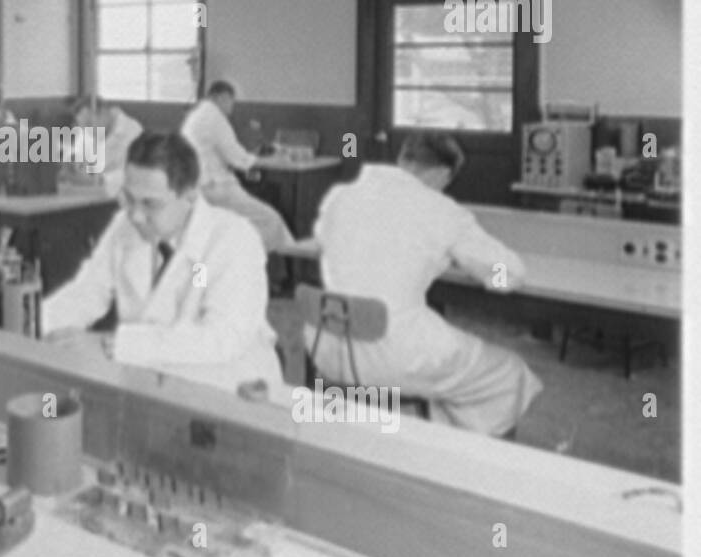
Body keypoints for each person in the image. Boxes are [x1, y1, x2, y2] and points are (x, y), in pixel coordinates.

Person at [307, 133, 543, 436]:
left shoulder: (340, 196)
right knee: (508, 373)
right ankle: (459, 455)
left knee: (442, 365)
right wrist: (480, 273)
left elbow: (328, 241)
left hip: (326, 344)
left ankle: (415, 434)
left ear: (403, 159)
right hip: (393, 353)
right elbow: (508, 273)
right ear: (443, 173)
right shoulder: (442, 210)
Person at [42, 132, 284, 397]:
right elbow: (87, 292)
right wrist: (36, 324)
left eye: (151, 204)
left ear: (190, 196)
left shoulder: (233, 239)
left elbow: (220, 338)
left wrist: (112, 346)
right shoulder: (126, 227)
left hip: (232, 392)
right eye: (129, 198)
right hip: (155, 384)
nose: (135, 215)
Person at [180, 81, 293, 254]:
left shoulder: (196, 115)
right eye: (232, 101)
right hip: (216, 188)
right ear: (223, 97)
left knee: (203, 245)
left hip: (196, 189)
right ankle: (253, 267)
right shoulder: (214, 116)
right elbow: (237, 157)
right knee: (271, 220)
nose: (232, 107)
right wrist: (270, 161)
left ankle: (201, 280)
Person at [70, 95, 144, 196]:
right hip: (88, 194)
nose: (87, 131)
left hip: (120, 197)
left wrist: (101, 179)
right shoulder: (86, 131)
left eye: (89, 124)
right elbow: (77, 163)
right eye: (83, 127)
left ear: (104, 112)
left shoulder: (133, 131)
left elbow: (135, 174)